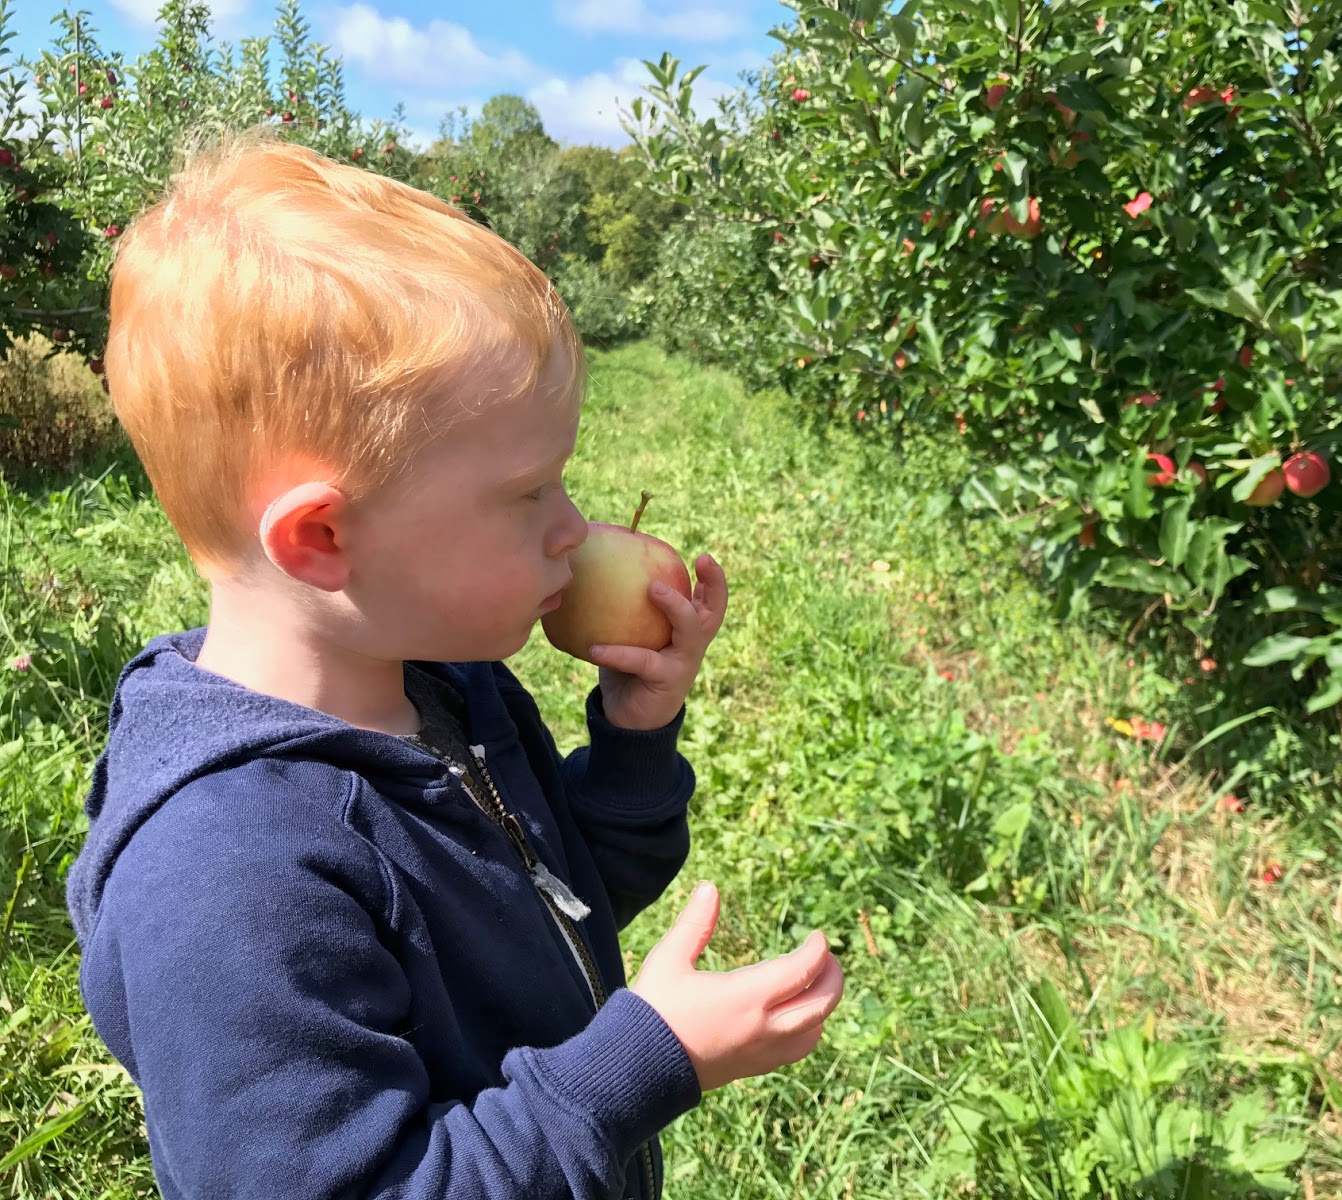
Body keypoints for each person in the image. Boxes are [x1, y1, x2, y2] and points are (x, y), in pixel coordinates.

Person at [64, 127, 845, 1199]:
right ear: (325, 539)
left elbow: (542, 906)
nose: (574, 529)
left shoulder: (438, 686)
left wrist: (629, 740)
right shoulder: (229, 882)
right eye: (528, 494)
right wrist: (641, 1065)